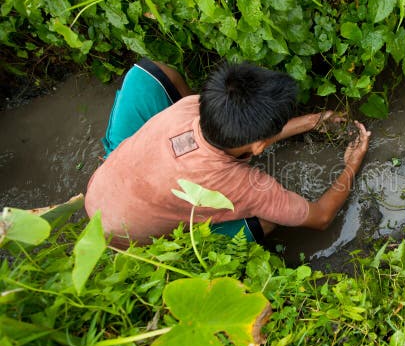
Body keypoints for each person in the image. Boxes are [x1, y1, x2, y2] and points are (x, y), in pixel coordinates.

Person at [85, 58, 370, 245]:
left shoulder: (192, 107)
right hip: (124, 236)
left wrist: (311, 121)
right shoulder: (247, 187)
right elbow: (320, 217)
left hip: (108, 184)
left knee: (154, 73)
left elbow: (254, 139)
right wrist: (351, 164)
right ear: (258, 146)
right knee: (270, 218)